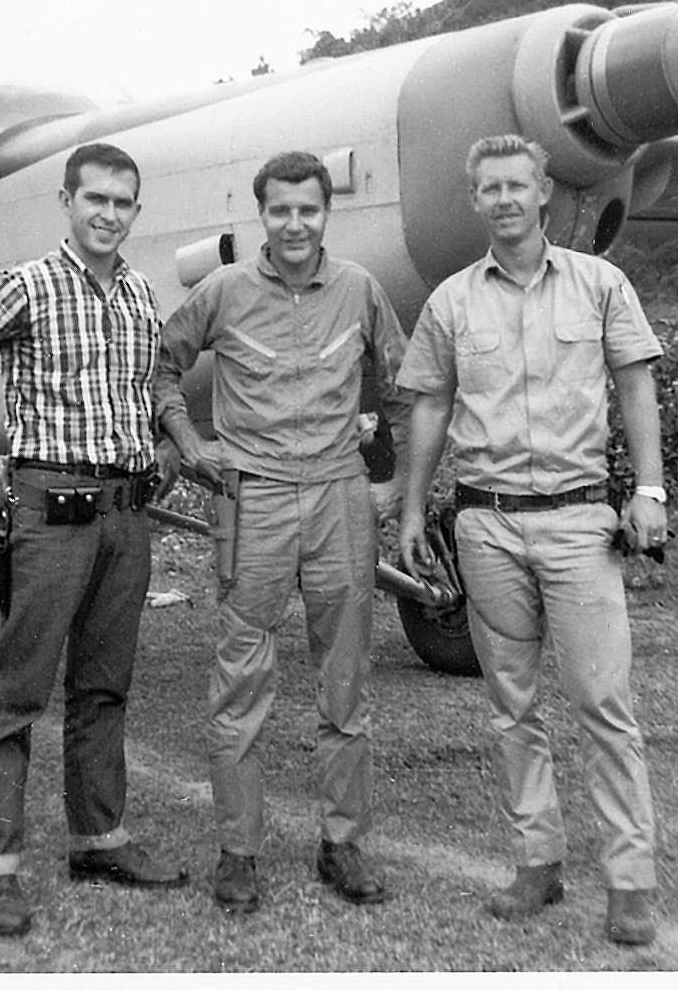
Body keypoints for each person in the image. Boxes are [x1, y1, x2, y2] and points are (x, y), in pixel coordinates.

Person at [0, 142, 188, 937]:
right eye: (94, 198)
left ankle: (99, 839)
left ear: (137, 210)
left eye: (122, 202)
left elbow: (149, 386)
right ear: (67, 201)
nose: (108, 213)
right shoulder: (27, 285)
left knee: (104, 687)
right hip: (48, 513)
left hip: (126, 518)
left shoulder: (138, 295)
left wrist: (162, 448)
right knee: (18, 693)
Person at [395, 134, 664, 946]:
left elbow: (635, 383)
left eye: (518, 186)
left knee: (602, 703)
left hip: (581, 522)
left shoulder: (600, 285)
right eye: (490, 189)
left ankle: (630, 880)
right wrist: (412, 510)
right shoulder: (449, 302)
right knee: (511, 707)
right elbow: (431, 406)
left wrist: (649, 491)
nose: (505, 200)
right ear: (475, 201)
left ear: (543, 194)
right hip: (485, 524)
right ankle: (537, 863)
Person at [154, 151, 410, 915]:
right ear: (259, 214)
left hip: (338, 496)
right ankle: (238, 852)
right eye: (280, 210)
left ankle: (343, 842)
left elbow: (403, 385)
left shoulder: (361, 290)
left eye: (308, 209)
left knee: (346, 679)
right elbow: (162, 368)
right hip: (255, 498)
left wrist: (393, 479)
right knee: (240, 680)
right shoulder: (222, 293)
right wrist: (189, 442)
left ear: (326, 214)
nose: (294, 223)